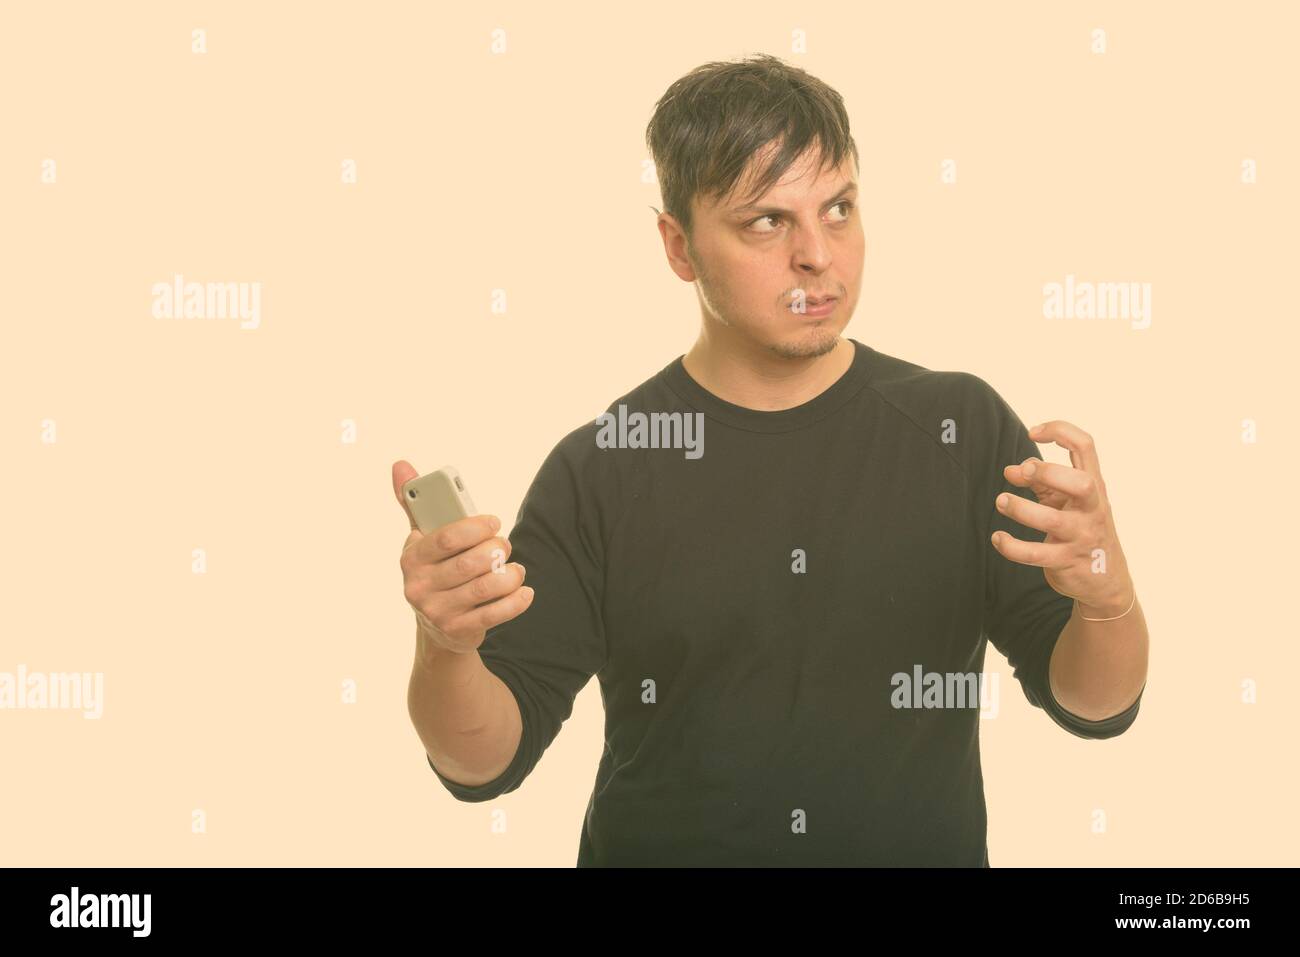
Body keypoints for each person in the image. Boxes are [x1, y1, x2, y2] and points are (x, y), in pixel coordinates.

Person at [398, 54, 1149, 867]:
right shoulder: (602, 466)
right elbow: (485, 757)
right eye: (766, 221)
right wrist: (445, 643)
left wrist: (1106, 600)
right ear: (679, 246)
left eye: (839, 208)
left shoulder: (958, 427)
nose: (818, 256)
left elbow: (1095, 705)